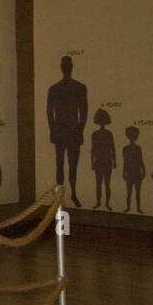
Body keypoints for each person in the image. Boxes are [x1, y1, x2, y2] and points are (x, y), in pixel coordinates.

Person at [47, 56, 88, 207]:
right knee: (60, 164)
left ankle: (73, 193)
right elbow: (49, 113)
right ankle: (60, 195)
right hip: (62, 130)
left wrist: (80, 130)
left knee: (72, 164)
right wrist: (52, 130)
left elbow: (84, 111)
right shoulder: (54, 89)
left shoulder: (79, 88)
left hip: (72, 130)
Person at [89, 108, 116, 210]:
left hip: (107, 160)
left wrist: (114, 160)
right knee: (99, 184)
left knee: (107, 184)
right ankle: (99, 202)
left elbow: (112, 148)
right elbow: (93, 149)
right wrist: (92, 161)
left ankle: (107, 203)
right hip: (99, 161)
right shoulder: (94, 134)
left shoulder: (109, 134)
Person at [122, 125, 146, 213]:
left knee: (137, 193)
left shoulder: (138, 148)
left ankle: (138, 208)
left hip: (137, 172)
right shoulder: (125, 149)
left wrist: (144, 170)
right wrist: (123, 172)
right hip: (130, 172)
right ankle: (128, 207)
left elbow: (141, 160)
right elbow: (125, 162)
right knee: (129, 193)